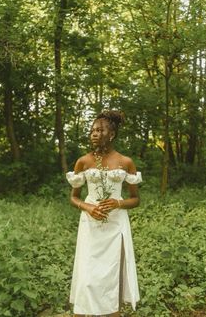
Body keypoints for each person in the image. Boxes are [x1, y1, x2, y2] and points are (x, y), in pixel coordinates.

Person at [66, 110, 142, 317]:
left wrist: (118, 202)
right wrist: (88, 207)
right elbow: (73, 197)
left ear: (112, 134)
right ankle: (82, 312)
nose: (94, 134)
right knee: (87, 276)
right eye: (92, 130)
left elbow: (135, 200)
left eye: (100, 130)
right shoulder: (83, 162)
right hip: (90, 225)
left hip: (116, 226)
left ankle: (112, 313)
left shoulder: (125, 162)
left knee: (111, 275)